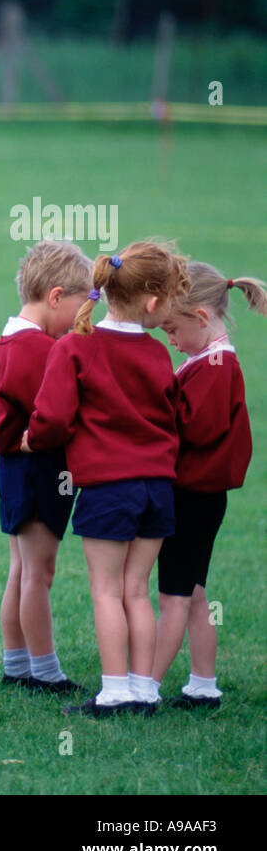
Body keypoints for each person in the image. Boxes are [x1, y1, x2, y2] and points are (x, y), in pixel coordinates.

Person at [23, 241, 189, 717]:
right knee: (137, 591)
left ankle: (114, 693)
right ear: (153, 303)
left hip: (108, 489)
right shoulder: (158, 354)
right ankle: (144, 691)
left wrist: (34, 438)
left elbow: (52, 418)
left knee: (106, 591)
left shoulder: (76, 346)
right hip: (158, 488)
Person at [150, 262, 266, 709]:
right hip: (198, 495)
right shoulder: (206, 359)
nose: (170, 340)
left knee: (173, 596)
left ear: (200, 317)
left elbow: (195, 428)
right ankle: (203, 685)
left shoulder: (216, 365)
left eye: (172, 330)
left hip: (194, 497)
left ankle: (144, 686)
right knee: (194, 593)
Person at [0, 240, 92, 693]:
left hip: (18, 469)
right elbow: (54, 413)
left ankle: (16, 664)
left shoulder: (12, 338)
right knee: (40, 572)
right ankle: (45, 671)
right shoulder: (38, 349)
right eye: (82, 305)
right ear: (55, 297)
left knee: (22, 569)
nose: (84, 317)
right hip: (37, 470)